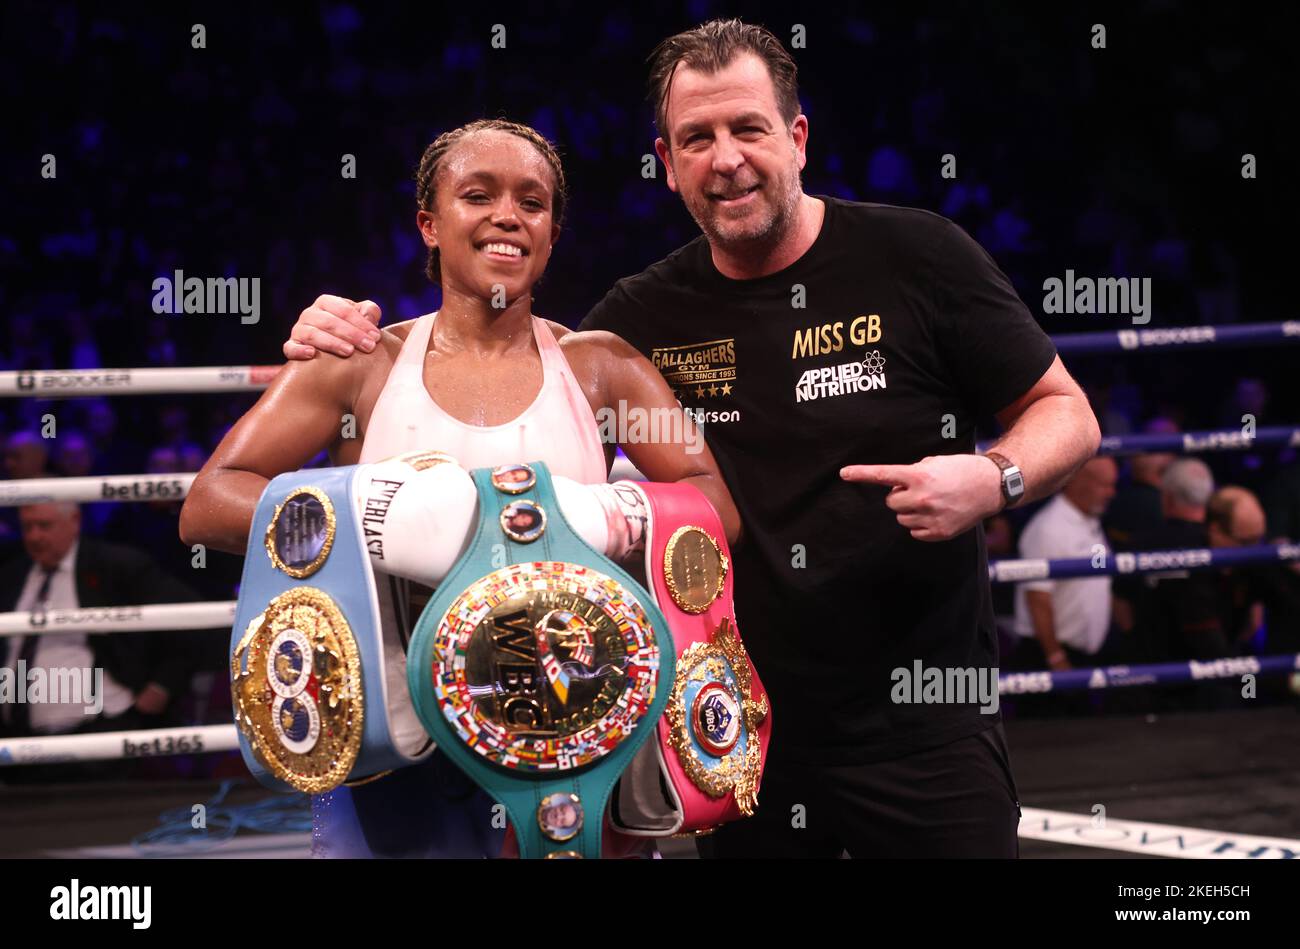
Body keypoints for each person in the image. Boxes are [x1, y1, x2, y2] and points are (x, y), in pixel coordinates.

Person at [282, 20, 1099, 857]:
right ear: (667, 164)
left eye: (748, 128)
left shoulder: (920, 255)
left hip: (924, 722)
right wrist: (348, 333)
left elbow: (1065, 410)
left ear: (797, 135)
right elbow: (500, 399)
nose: (726, 157)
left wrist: (992, 476)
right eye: (696, 138)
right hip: (730, 723)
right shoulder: (638, 318)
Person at [180, 118, 740, 858]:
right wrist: (375, 516)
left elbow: (714, 506)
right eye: (478, 194)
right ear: (429, 224)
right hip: (396, 731)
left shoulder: (600, 366)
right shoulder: (360, 363)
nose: (508, 214)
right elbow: (210, 500)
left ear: (552, 232)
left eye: (531, 202)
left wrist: (605, 515)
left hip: (569, 718)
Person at [0, 502, 198, 746]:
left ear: (74, 521)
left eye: (44, 525)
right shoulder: (13, 574)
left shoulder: (116, 566)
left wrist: (163, 685)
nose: (34, 536)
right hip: (16, 740)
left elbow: (189, 620)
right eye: (27, 527)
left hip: (99, 734)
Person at [1013, 457, 1119, 672]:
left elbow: (1098, 575)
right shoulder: (1049, 528)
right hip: (1049, 653)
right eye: (1104, 485)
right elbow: (1037, 598)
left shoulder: (1091, 522)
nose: (1111, 493)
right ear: (1079, 480)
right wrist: (1055, 657)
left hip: (1087, 653)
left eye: (1112, 485)